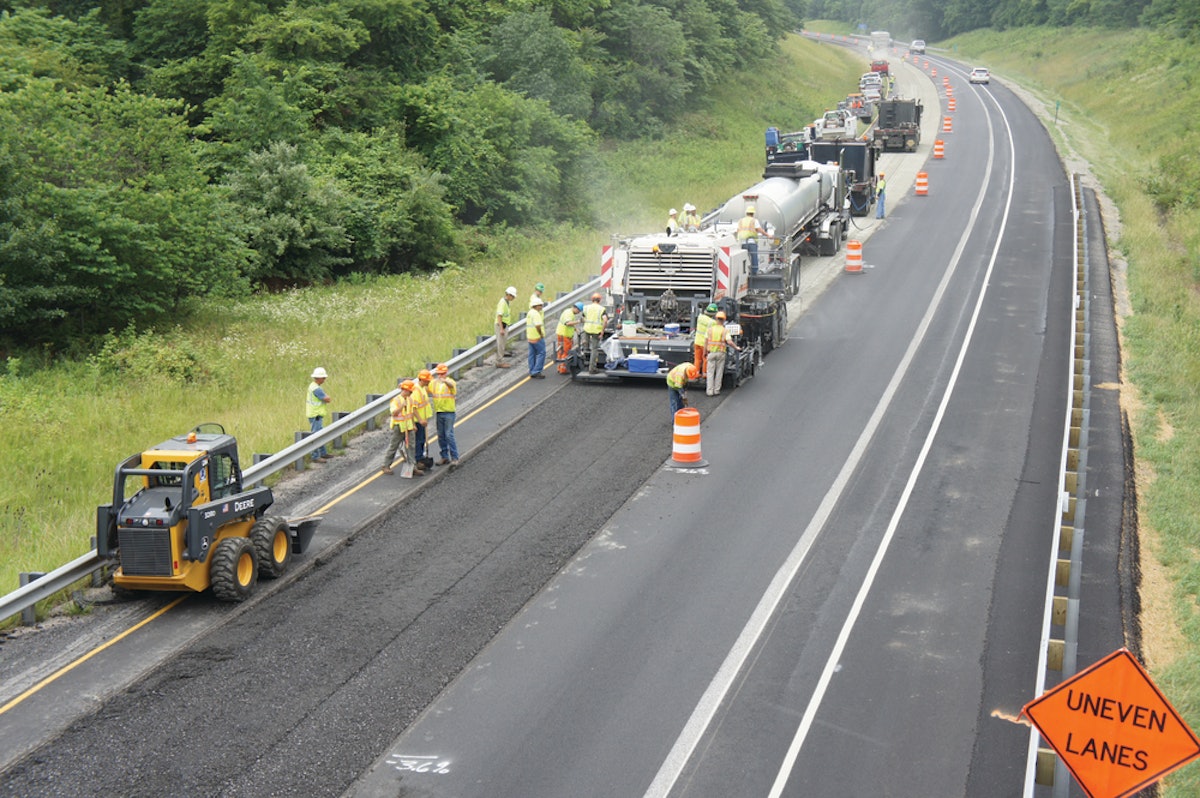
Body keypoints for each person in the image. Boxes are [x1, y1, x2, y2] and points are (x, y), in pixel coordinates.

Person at [382, 379, 423, 476]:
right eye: (410, 391)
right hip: (399, 427)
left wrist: (413, 425)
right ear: (406, 390)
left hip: (408, 427)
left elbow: (411, 412)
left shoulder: (410, 399)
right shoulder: (396, 400)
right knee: (394, 446)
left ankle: (412, 467)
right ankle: (386, 465)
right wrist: (401, 407)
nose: (411, 393)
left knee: (411, 447)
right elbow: (393, 413)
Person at [429, 363, 459, 466]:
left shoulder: (450, 382)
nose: (440, 375)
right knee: (441, 435)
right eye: (439, 374)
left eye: (442, 373)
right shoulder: (434, 383)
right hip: (439, 412)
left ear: (446, 373)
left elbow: (452, 387)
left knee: (449, 435)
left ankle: (455, 457)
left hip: (449, 412)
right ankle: (444, 456)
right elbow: (425, 387)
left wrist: (445, 381)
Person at [705, 311, 741, 396]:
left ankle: (709, 391)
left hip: (711, 353)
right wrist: (736, 347)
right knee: (719, 372)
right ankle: (716, 390)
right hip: (721, 353)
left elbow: (705, 342)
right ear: (724, 320)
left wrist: (705, 352)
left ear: (715, 319)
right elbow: (729, 342)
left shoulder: (709, 330)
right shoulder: (725, 331)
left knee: (710, 372)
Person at [306, 367, 332, 462]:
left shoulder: (313, 386)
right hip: (315, 415)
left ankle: (323, 453)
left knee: (320, 435)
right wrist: (328, 397)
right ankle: (316, 456)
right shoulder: (316, 389)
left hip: (315, 415)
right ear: (318, 378)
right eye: (323, 378)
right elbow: (327, 399)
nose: (324, 380)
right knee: (316, 436)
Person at [411, 369, 434, 468]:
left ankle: (420, 457)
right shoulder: (416, 391)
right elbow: (413, 408)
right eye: (428, 380)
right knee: (419, 440)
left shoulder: (422, 388)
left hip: (423, 420)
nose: (429, 382)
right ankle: (418, 459)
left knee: (422, 439)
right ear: (423, 380)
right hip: (418, 421)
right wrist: (420, 420)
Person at [581, 293, 609, 374]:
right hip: (596, 331)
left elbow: (582, 318)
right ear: (599, 300)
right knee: (594, 349)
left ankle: (584, 360)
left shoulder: (586, 307)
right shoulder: (601, 309)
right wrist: (602, 331)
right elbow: (605, 320)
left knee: (585, 346)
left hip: (587, 330)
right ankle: (592, 368)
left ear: (592, 299)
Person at [737, 206, 768, 274]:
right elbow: (759, 229)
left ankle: (743, 272)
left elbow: (738, 230)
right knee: (754, 257)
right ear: (753, 213)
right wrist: (768, 235)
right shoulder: (754, 220)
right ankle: (754, 272)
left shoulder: (741, 221)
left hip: (742, 242)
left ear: (746, 213)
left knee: (743, 258)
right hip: (751, 242)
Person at [556, 300, 583, 374]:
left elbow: (570, 323)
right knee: (566, 352)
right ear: (576, 308)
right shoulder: (569, 313)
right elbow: (568, 323)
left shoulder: (568, 312)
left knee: (560, 351)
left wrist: (575, 329)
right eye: (579, 311)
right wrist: (579, 321)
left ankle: (559, 367)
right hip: (565, 335)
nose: (578, 313)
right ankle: (563, 369)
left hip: (561, 334)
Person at [495, 286, 516, 368]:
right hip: (501, 325)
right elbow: (499, 316)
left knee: (502, 344)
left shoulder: (506, 302)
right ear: (509, 295)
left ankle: (500, 360)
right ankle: (499, 362)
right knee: (501, 344)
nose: (513, 298)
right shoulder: (502, 302)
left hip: (504, 325)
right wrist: (501, 329)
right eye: (513, 296)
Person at [693, 303, 717, 377]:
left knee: (697, 359)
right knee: (706, 359)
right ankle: (705, 374)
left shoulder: (700, 317)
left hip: (697, 341)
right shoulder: (712, 322)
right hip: (705, 344)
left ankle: (696, 373)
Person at [527, 296, 547, 379]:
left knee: (532, 354)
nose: (541, 307)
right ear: (537, 305)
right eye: (540, 305)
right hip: (537, 337)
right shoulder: (536, 314)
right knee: (542, 353)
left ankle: (532, 370)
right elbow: (538, 326)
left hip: (530, 337)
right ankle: (537, 371)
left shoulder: (530, 312)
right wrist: (541, 334)